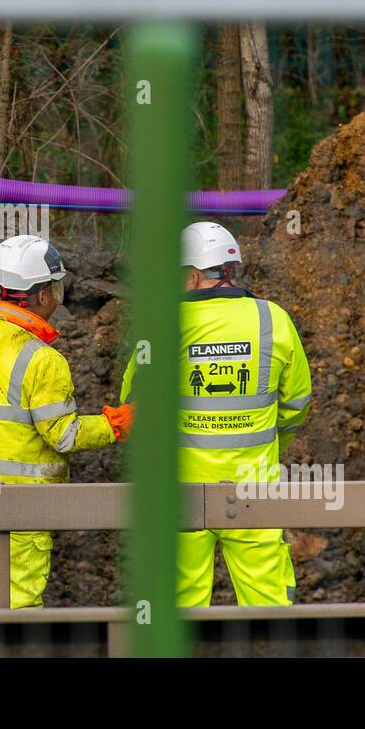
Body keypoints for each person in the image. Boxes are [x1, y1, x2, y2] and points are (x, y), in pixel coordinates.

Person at [0, 234, 135, 609]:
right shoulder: (42, 359)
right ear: (43, 295)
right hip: (24, 496)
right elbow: (64, 436)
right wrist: (115, 424)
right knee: (21, 602)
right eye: (56, 288)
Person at [121, 221, 312, 606]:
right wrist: (270, 443)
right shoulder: (272, 319)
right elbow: (296, 404)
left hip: (181, 491)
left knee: (180, 604)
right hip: (254, 488)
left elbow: (133, 404)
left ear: (192, 276)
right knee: (269, 603)